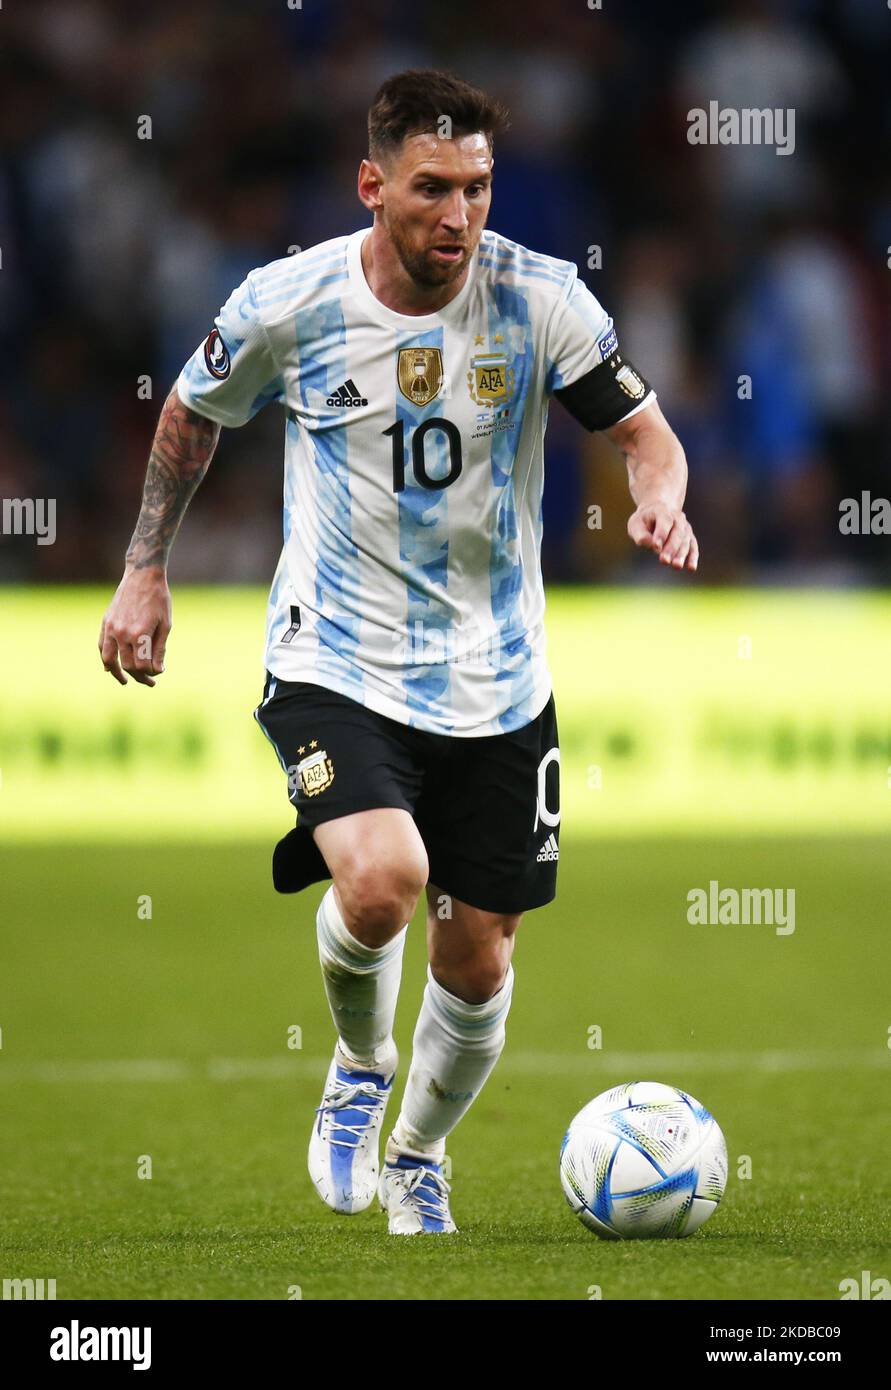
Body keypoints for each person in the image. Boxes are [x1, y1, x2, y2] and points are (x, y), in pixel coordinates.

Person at [99, 68, 698, 1236]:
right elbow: (188, 413)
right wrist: (144, 566)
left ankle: (418, 1151)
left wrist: (659, 500)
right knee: (381, 878)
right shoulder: (291, 301)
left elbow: (647, 436)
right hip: (337, 657)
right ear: (373, 184)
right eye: (432, 188)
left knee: (478, 963)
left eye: (477, 186)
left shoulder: (541, 299)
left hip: (499, 677)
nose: (459, 215)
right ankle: (360, 1069)